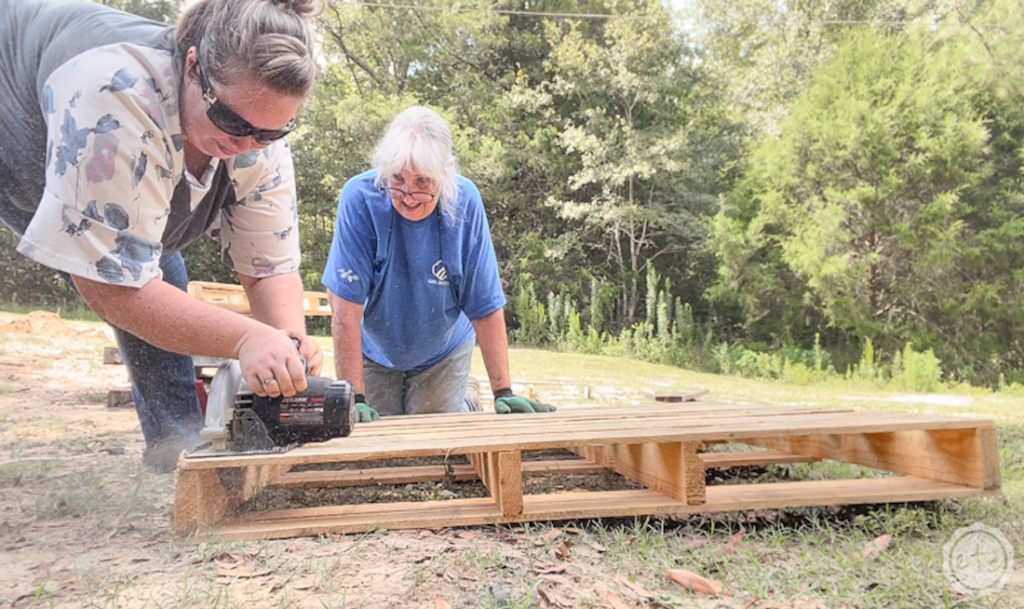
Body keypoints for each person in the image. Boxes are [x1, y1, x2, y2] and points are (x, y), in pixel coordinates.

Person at [0, 0, 324, 473]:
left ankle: (178, 451)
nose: (246, 144)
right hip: (17, 127)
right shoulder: (115, 92)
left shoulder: (256, 133)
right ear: (192, 67)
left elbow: (269, 267)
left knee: (158, 274)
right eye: (234, 123)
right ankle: (177, 446)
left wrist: (285, 342)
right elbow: (112, 287)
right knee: (144, 277)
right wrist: (244, 339)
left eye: (270, 132)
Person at [322, 106, 555, 420]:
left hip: (443, 348)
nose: (408, 195)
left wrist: (504, 391)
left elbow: (484, 304)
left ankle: (467, 402)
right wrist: (355, 395)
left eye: (423, 181)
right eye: (396, 179)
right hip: (374, 347)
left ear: (446, 174)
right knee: (381, 438)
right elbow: (345, 309)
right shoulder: (359, 198)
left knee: (432, 438)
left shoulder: (465, 201)